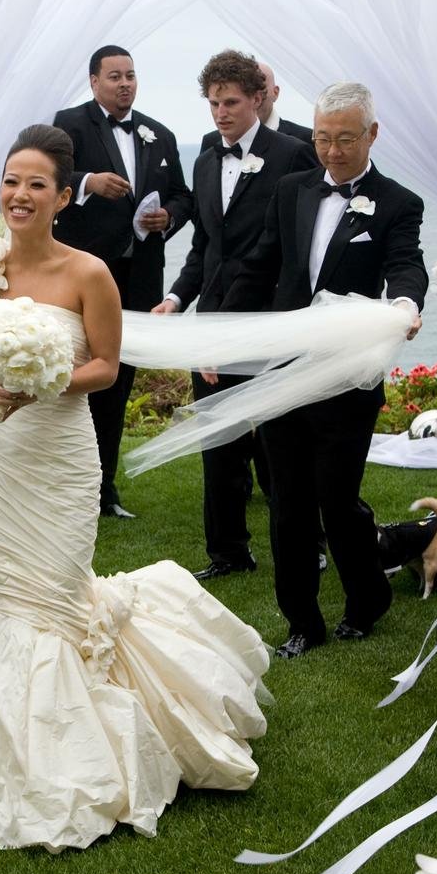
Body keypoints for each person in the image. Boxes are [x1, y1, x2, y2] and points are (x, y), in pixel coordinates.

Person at [0, 124, 270, 851]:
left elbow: (106, 366)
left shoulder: (89, 271)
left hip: (60, 450)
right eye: (10, 181)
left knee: (58, 595)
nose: (19, 195)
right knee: (7, 596)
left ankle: (76, 752)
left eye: (36, 184)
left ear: (64, 196)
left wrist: (44, 378)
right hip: (2, 451)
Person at [222, 82, 427, 659]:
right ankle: (302, 622)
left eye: (343, 139)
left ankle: (367, 600)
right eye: (321, 138)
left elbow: (405, 264)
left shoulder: (397, 202)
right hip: (285, 370)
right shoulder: (291, 190)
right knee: (288, 502)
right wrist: (218, 332)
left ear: (372, 135)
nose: (331, 151)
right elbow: (261, 266)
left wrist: (407, 306)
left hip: (346, 375)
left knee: (337, 501)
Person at [155, 49, 318, 581]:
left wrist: (227, 330)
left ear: (258, 98)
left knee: (282, 445)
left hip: (272, 318)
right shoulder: (204, 160)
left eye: (230, 102)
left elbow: (282, 250)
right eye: (213, 103)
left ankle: (308, 541)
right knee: (217, 440)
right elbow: (206, 245)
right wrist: (179, 298)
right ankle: (228, 552)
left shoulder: (294, 154)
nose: (221, 112)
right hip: (215, 317)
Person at [53, 45, 193, 519]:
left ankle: (104, 488)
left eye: (131, 75)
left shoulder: (160, 134)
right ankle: (68, 481)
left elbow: (184, 196)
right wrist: (88, 182)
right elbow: (45, 176)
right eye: (114, 76)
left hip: (139, 280)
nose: (125, 83)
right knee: (80, 375)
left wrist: (168, 217)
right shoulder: (69, 123)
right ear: (94, 82)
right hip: (85, 277)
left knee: (119, 379)